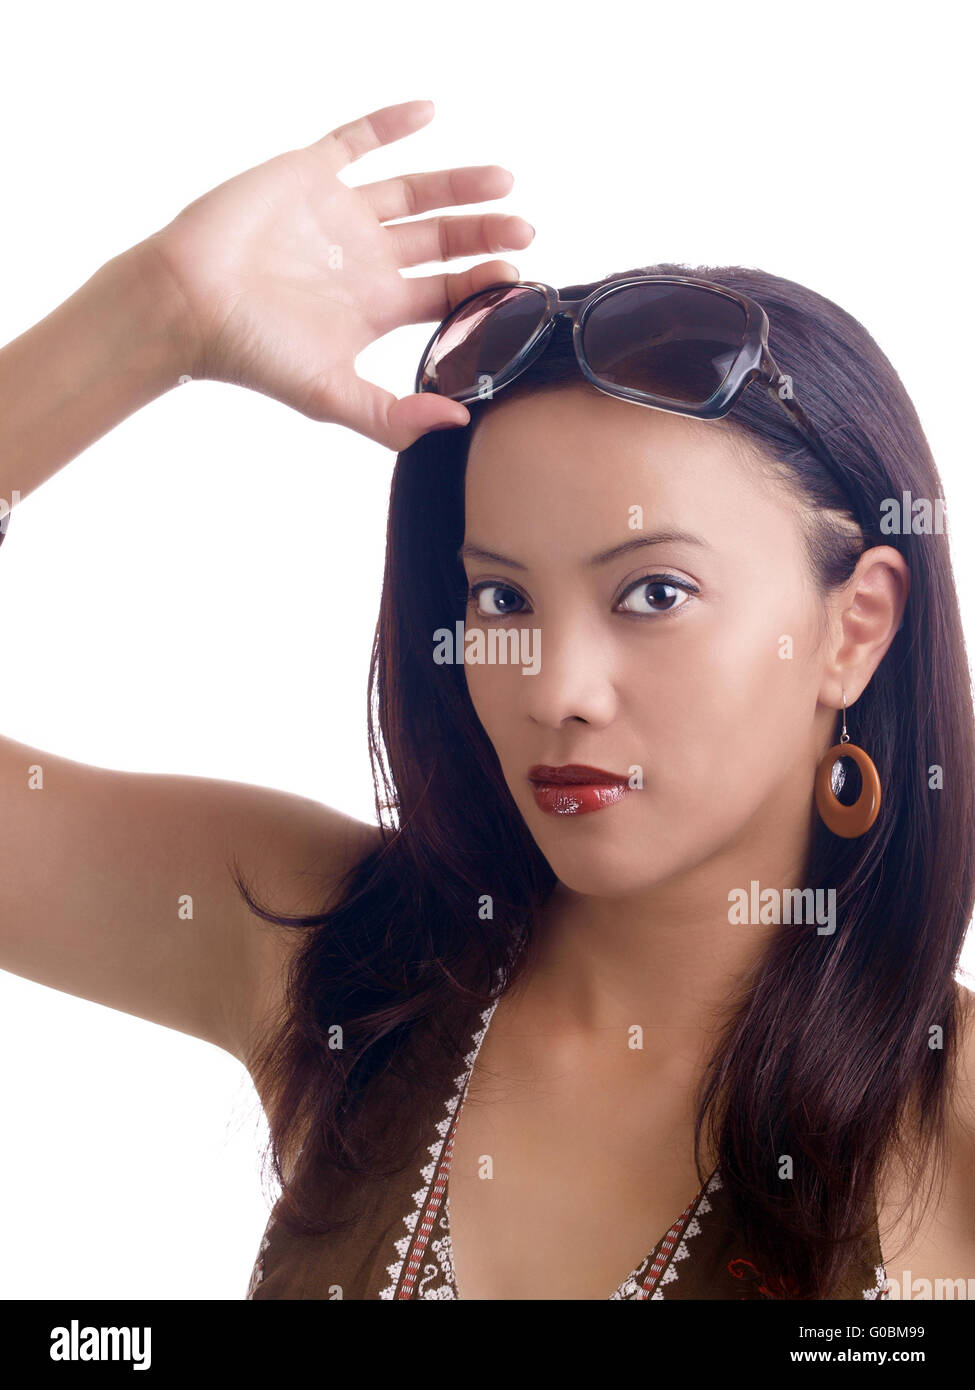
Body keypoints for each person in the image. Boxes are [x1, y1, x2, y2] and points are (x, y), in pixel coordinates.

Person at [1, 98, 972, 1303]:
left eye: (653, 591)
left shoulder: (949, 1123)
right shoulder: (329, 958)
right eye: (503, 602)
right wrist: (154, 318)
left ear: (855, 625)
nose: (556, 688)